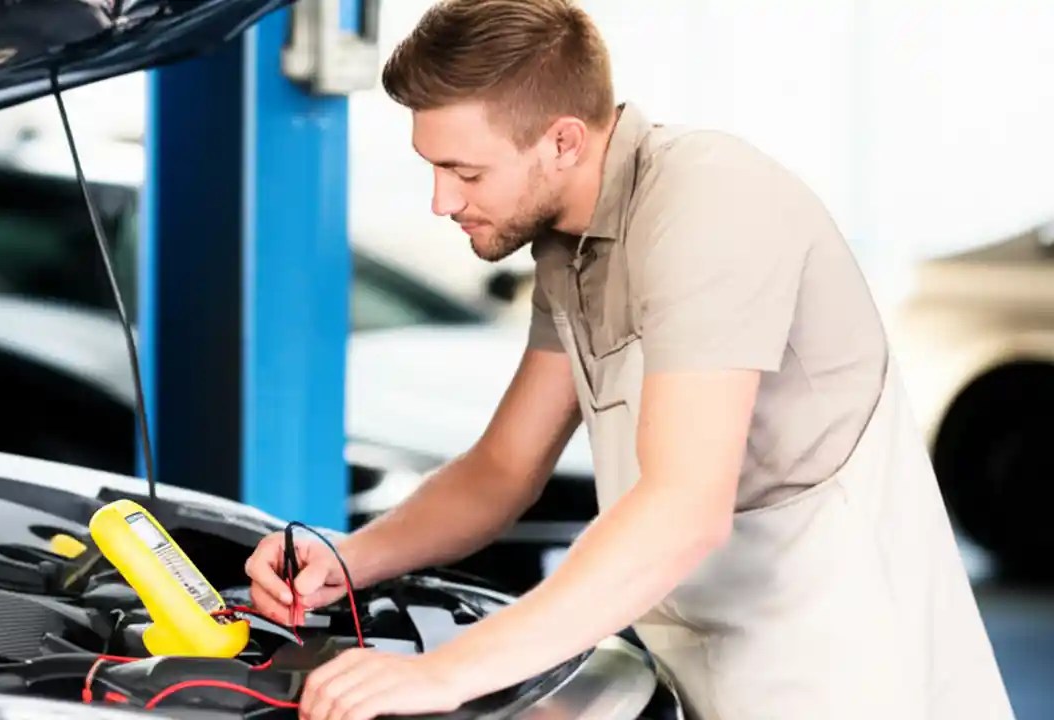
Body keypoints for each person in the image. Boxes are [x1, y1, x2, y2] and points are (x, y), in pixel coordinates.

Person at [243, 1, 1016, 718]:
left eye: (465, 173)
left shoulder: (710, 202)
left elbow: (685, 506)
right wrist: (346, 560)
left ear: (564, 142)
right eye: (433, 168)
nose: (441, 202)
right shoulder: (569, 244)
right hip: (702, 654)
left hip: (845, 673)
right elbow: (503, 468)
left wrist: (444, 672)